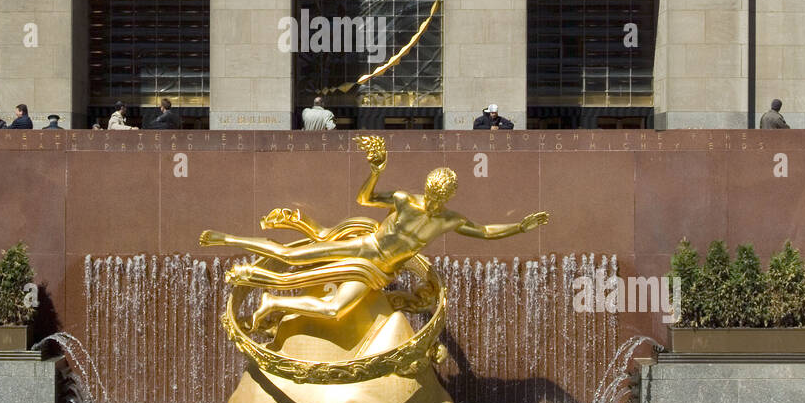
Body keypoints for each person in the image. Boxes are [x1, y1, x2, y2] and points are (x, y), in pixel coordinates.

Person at [200, 135, 549, 334]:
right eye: (432, 194)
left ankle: (274, 302)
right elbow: (363, 199)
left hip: (379, 272)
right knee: (290, 256)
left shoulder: (449, 220)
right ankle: (228, 239)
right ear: (426, 189)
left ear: (448, 198)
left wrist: (519, 227)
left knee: (335, 308)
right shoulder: (404, 201)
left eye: (440, 198)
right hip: (364, 247)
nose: (433, 201)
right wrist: (375, 171)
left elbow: (486, 232)